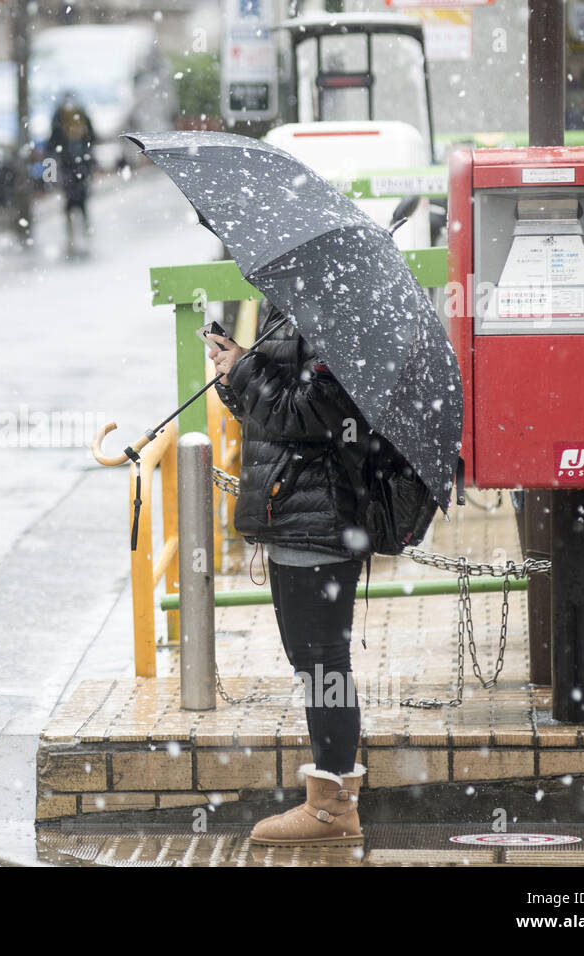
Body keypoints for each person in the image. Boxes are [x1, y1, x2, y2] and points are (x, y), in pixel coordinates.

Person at [207, 303, 372, 847]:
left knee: (324, 662)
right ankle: (332, 798)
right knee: (312, 661)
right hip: (290, 510)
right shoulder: (289, 309)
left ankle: (331, 810)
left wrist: (248, 369)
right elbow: (267, 416)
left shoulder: (334, 316)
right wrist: (235, 374)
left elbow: (315, 413)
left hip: (318, 514)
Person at [46, 92, 95, 257]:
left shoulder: (60, 119)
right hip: (74, 166)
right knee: (77, 199)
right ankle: (78, 230)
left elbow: (52, 144)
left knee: (76, 199)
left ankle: (75, 231)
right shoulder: (69, 119)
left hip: (73, 166)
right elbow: (92, 139)